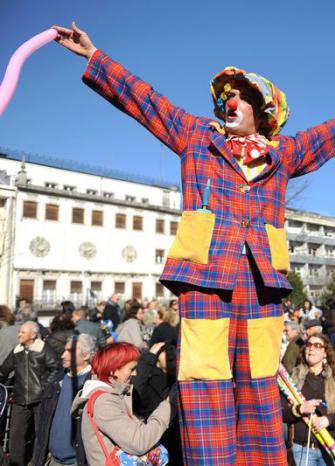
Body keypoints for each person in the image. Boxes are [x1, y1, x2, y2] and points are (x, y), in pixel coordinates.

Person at [54, 22, 335, 465]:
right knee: (205, 383)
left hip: (263, 283)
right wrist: (94, 57)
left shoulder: (283, 154)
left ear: (262, 110)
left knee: (259, 382)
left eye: (241, 96)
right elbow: (147, 102)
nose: (230, 100)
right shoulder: (196, 137)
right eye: (227, 95)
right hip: (206, 277)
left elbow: (326, 136)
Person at [71, 342, 171, 465]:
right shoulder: (104, 402)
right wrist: (169, 404)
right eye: (131, 369)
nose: (135, 374)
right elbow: (138, 442)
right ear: (113, 370)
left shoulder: (115, 394)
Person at [0, 321, 59, 466]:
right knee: (16, 435)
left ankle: (39, 461)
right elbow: (4, 370)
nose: (19, 334)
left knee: (41, 433)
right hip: (20, 399)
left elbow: (56, 369)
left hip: (41, 399)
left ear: (33, 335)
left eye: (22, 332)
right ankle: (16, 463)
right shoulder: (17, 351)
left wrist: (43, 387)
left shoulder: (45, 349)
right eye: (19, 331)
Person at [33, 334, 96, 466]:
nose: (63, 355)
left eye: (70, 351)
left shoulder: (93, 384)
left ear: (86, 356)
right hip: (52, 459)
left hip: (76, 461)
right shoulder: (57, 381)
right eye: (64, 350)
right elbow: (43, 421)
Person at [281, 333, 335, 466]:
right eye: (309, 345)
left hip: (329, 449)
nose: (311, 348)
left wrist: (328, 420)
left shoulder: (333, 379)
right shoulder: (292, 378)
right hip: (301, 449)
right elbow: (281, 413)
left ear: (325, 353)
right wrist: (300, 409)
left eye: (317, 345)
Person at [132, 342, 182, 465]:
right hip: (158, 441)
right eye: (166, 351)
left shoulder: (180, 378)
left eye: (173, 350)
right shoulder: (149, 380)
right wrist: (149, 356)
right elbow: (138, 388)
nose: (171, 354)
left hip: (179, 441)